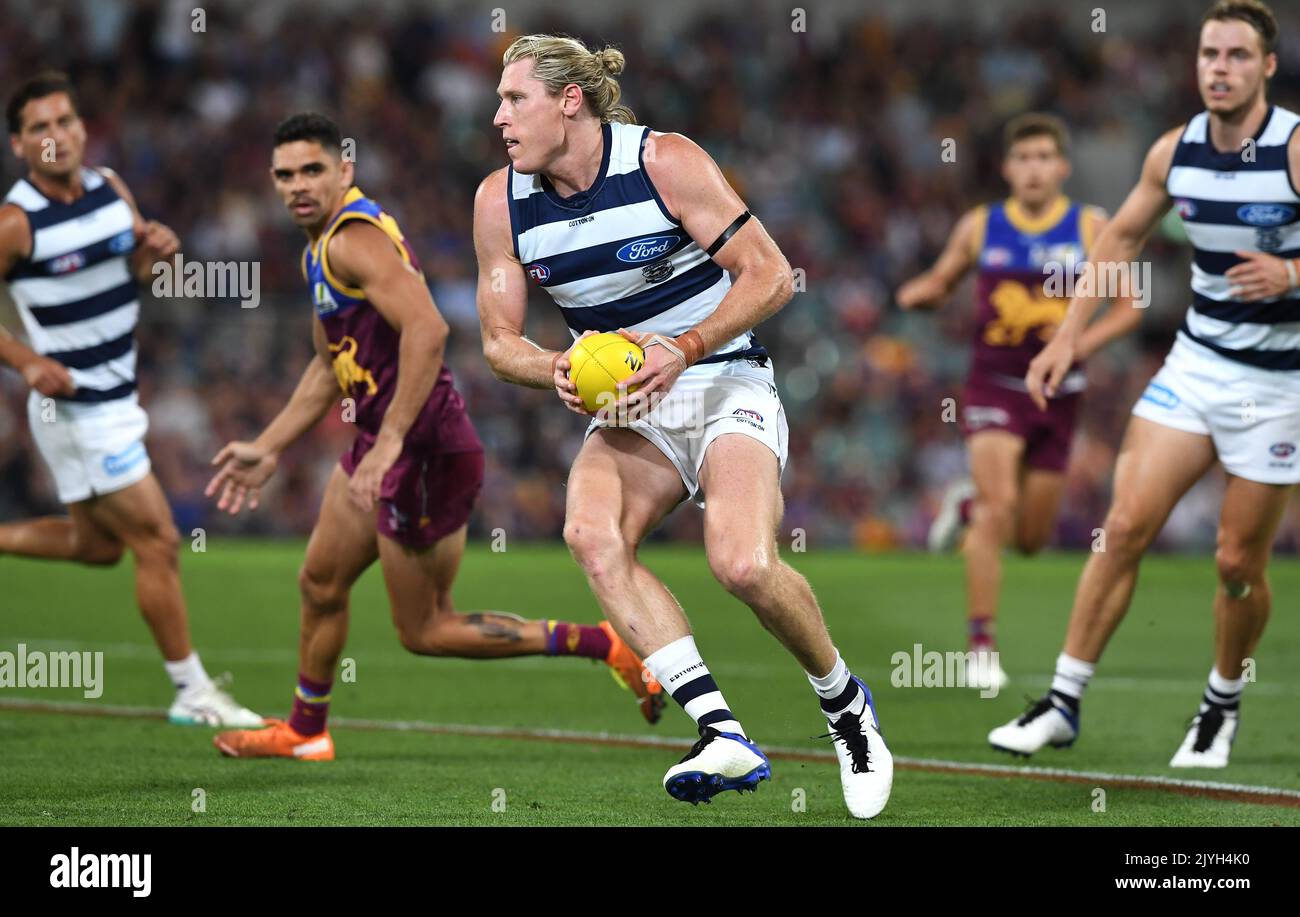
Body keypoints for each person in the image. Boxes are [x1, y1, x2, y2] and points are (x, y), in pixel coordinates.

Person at [473, 34, 891, 817]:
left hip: (722, 374)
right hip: (633, 404)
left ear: (570, 102)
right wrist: (557, 368)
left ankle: (844, 704)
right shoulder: (499, 201)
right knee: (591, 535)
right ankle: (722, 732)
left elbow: (769, 272)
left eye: (513, 99)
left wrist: (685, 345)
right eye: (499, 100)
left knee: (742, 566)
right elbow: (499, 341)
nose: (498, 116)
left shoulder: (663, 161)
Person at [208, 113, 662, 761]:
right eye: (284, 174)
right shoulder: (321, 245)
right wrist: (271, 444)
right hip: (385, 440)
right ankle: (307, 730)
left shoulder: (351, 240)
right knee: (319, 582)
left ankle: (606, 644)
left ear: (345, 170)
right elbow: (327, 363)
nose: (297, 185)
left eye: (312, 170)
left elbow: (429, 329)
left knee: (425, 627)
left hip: (422, 449)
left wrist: (391, 441)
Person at [988, 0, 1298, 768]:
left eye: (1234, 56)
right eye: (1208, 54)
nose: (1218, 68)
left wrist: (1292, 270)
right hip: (1197, 365)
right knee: (1124, 526)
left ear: (1266, 67)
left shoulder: (1293, 149)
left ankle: (1219, 704)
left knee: (1235, 565)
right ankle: (1061, 702)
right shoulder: (1176, 150)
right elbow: (1120, 238)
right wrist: (1067, 336)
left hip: (1280, 383)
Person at [0, 72, 259, 727]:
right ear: (18, 144)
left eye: (65, 121)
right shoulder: (15, 221)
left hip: (117, 396)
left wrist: (156, 253)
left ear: (83, 127)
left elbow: (136, 269)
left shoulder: (111, 187)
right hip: (80, 409)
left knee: (98, 546)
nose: (57, 135)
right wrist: (27, 360)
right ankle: (192, 690)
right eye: (40, 127)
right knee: (158, 539)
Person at [898, 113, 1139, 689]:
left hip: (1059, 394)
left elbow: (1131, 306)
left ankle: (963, 510)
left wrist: (1074, 343)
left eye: (1043, 158)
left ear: (1063, 167)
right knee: (998, 506)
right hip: (993, 389)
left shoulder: (1090, 226)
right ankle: (981, 645)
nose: (1033, 169)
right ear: (1007, 168)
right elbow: (943, 279)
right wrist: (919, 296)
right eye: (1022, 158)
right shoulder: (981, 226)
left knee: (1030, 540)